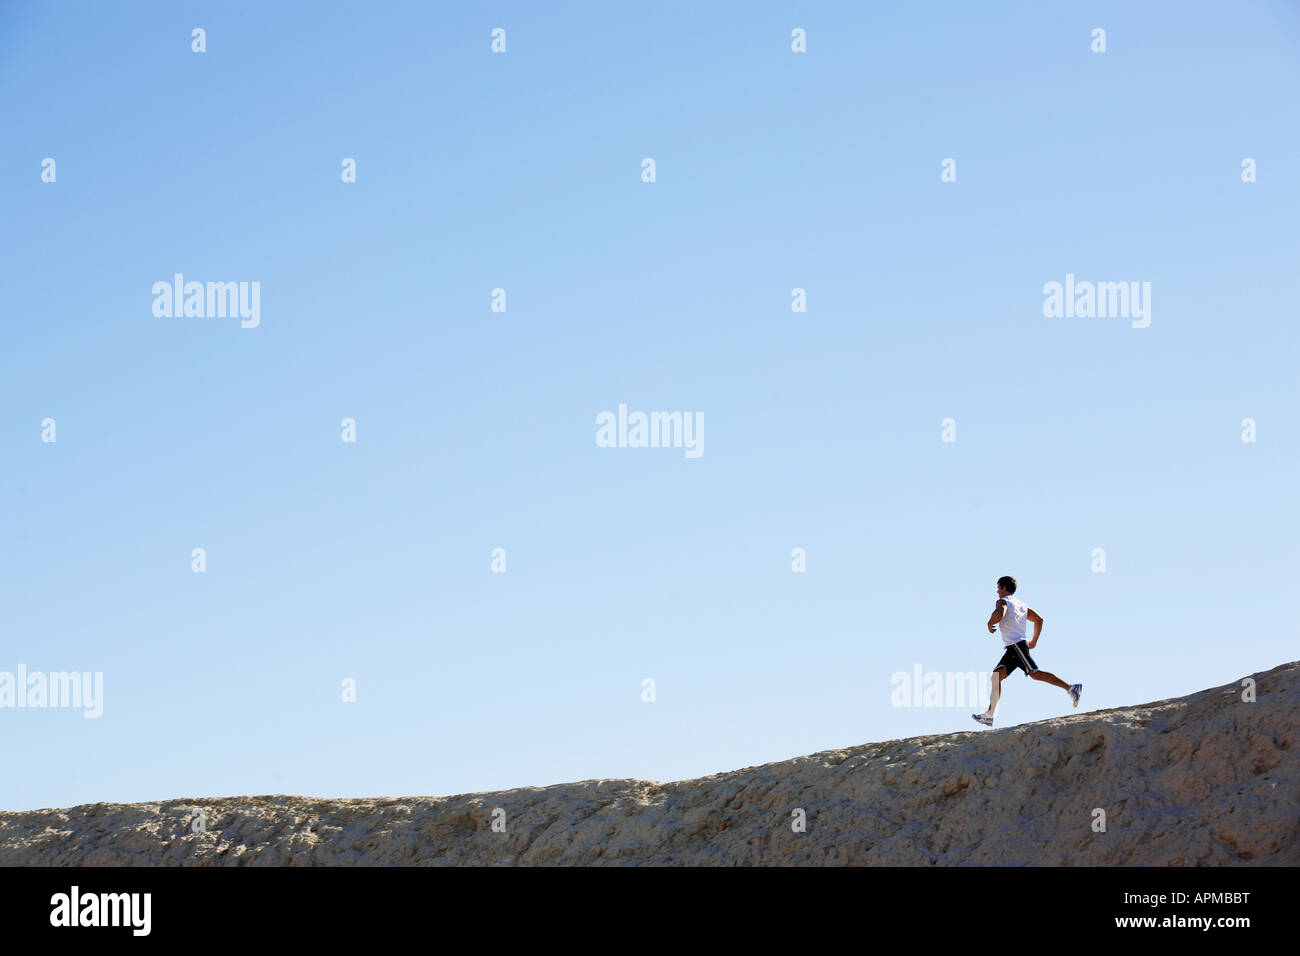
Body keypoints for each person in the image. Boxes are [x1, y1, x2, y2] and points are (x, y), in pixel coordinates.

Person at [972, 576, 1081, 727]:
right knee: (997, 676)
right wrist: (1034, 640)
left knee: (1035, 673)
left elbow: (1000, 612)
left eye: (998, 587)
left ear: (1004, 588)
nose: (997, 591)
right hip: (1014, 647)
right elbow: (1039, 619)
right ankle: (989, 715)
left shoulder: (1003, 602)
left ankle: (1071, 688)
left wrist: (990, 623)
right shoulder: (1021, 605)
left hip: (1016, 646)